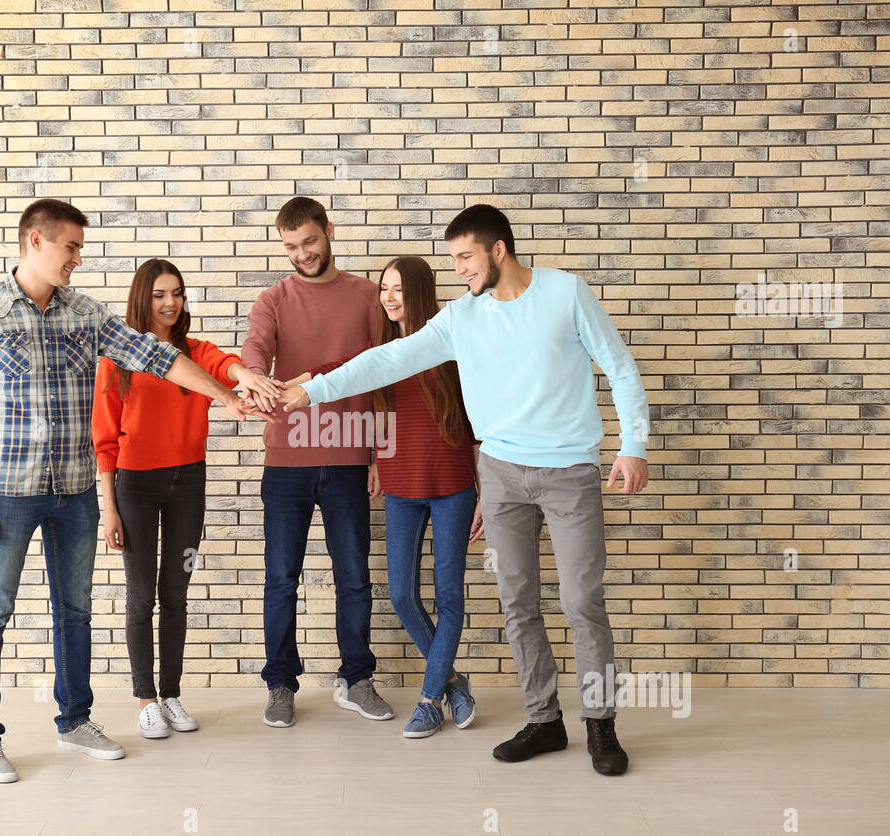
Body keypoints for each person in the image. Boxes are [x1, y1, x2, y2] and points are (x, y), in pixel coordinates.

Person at [280, 204, 650, 775]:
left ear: (498, 250)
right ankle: (544, 720)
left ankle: (600, 725)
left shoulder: (566, 293)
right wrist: (314, 391)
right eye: (453, 260)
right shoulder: (461, 318)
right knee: (517, 604)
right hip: (502, 474)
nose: (459, 270)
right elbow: (388, 360)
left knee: (581, 602)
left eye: (465, 258)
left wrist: (633, 445)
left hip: (571, 471)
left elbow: (620, 367)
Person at [0, 199, 267, 784]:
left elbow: (158, 356)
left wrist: (223, 397)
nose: (78, 258)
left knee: (75, 610)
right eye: (71, 247)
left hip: (74, 493)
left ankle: (75, 721)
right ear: (36, 241)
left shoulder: (86, 315)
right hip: (8, 493)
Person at [272, 257, 484, 738]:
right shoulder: (382, 353)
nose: (388, 298)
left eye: (398, 290)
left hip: (453, 486)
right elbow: (339, 370)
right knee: (404, 595)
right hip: (400, 487)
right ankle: (452, 681)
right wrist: (291, 384)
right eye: (384, 289)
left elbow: (480, 425)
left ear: (421, 292)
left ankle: (430, 700)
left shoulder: (454, 346)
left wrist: (488, 492)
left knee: (449, 594)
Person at [92, 259, 280, 740]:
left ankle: (172, 694)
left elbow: (225, 366)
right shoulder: (118, 361)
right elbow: (105, 442)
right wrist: (109, 507)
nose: (170, 302)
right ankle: (146, 700)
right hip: (134, 486)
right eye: (159, 295)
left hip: (188, 483)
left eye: (176, 293)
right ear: (142, 299)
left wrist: (246, 381)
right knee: (141, 595)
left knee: (176, 592)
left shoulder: (195, 353)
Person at [240, 196, 394, 728]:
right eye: (290, 247)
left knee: (353, 576)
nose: (301, 254)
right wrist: (254, 379)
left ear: (328, 231)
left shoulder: (370, 296)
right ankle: (281, 683)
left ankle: (357, 678)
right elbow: (255, 351)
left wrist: (380, 452)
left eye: (308, 241)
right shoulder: (274, 299)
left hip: (350, 453)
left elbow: (384, 374)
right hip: (287, 461)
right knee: (281, 577)